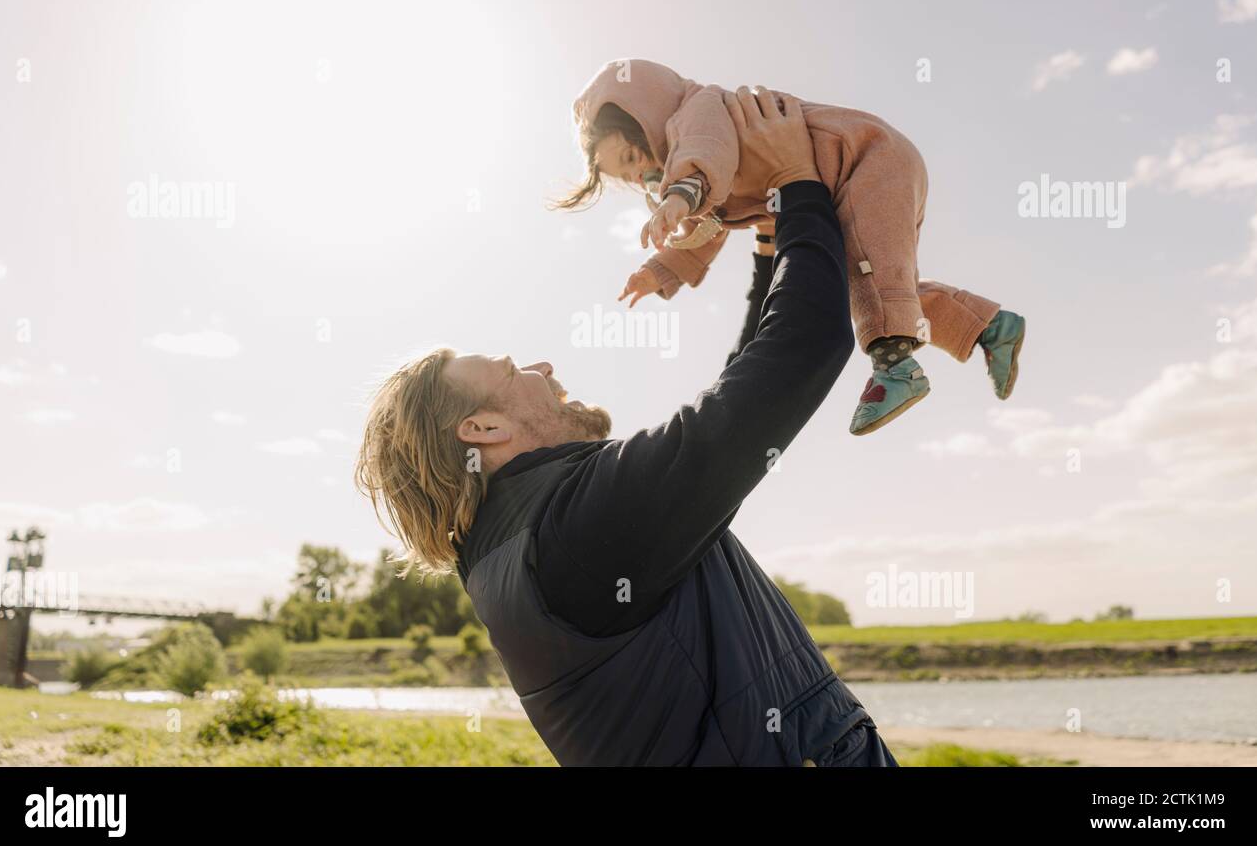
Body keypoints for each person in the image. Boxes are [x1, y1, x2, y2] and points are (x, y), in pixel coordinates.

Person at [357, 88, 898, 766]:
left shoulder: (520, 548)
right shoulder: (577, 527)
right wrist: (796, 185)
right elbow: (796, 357)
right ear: (485, 426)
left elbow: (733, 406)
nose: (543, 365)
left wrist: (768, 246)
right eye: (511, 367)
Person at [553, 58, 1026, 435]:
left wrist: (679, 196)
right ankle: (988, 327)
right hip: (836, 183)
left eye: (632, 158)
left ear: (644, 114)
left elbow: (705, 154)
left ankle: (895, 371)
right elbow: (707, 229)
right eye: (629, 177)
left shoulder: (698, 113)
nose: (640, 175)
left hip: (866, 158)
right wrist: (662, 269)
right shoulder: (700, 177)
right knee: (868, 285)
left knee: (874, 278)